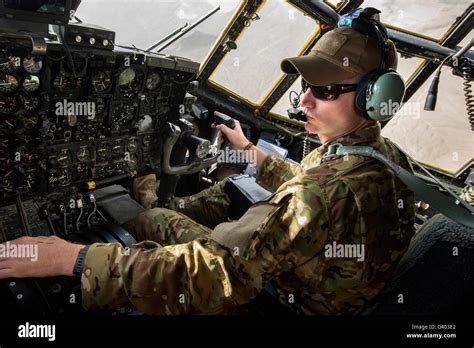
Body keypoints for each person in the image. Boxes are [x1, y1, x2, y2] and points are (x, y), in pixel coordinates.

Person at [0, 16, 415, 315]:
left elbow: (212, 275)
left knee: (154, 218)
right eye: (306, 86)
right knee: (223, 190)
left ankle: (143, 201)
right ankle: (144, 193)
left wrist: (72, 258)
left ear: (372, 99)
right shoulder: (386, 157)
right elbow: (310, 183)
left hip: (281, 300)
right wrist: (248, 152)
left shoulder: (318, 194)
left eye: (324, 91)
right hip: (334, 288)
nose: (304, 101)